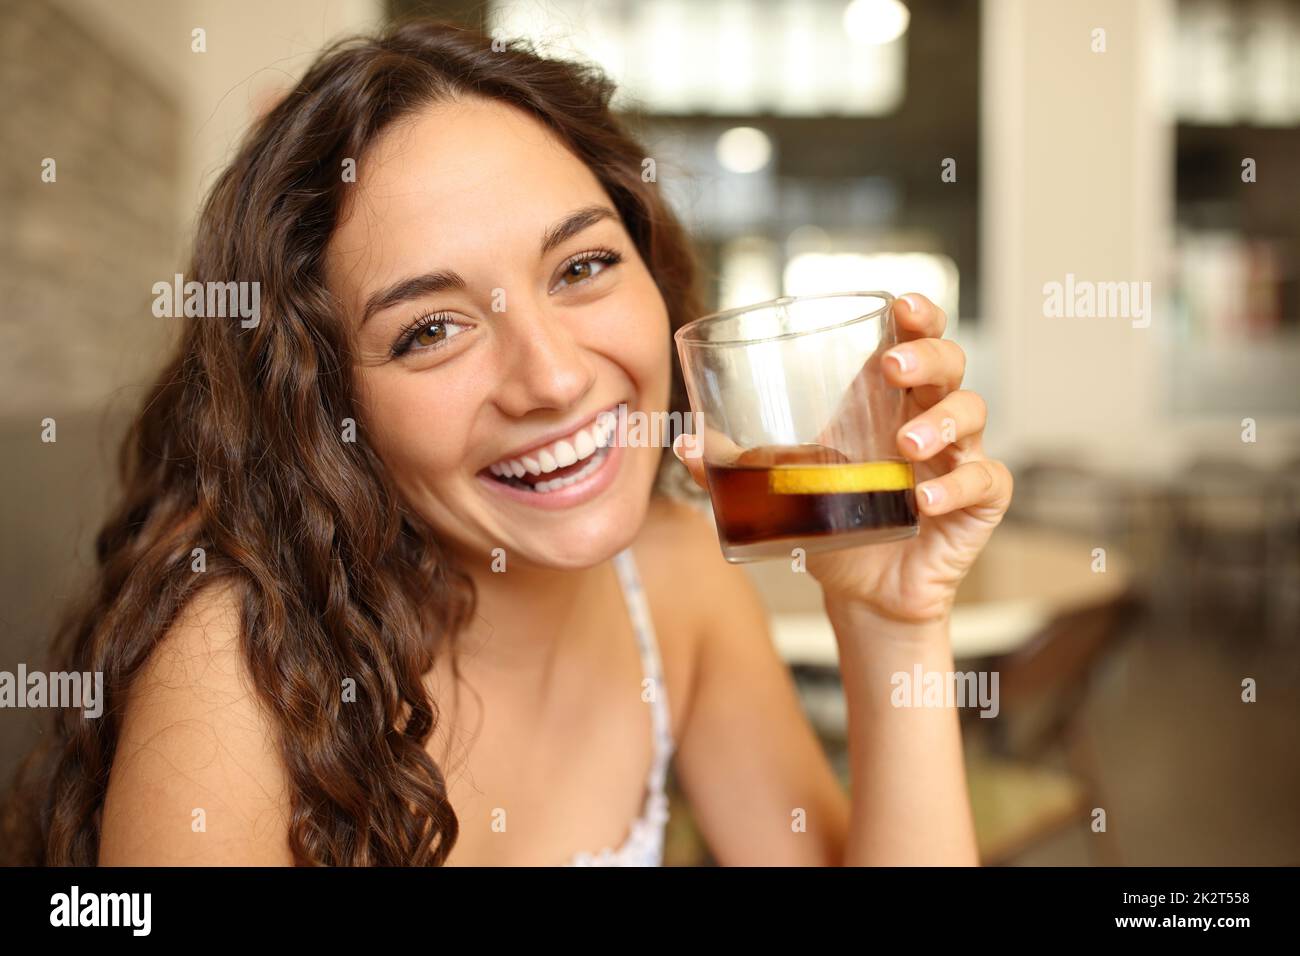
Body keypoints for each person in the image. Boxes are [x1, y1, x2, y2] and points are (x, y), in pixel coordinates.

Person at [2, 19, 1011, 866]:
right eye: (429, 328)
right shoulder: (239, 669)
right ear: (320, 400)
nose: (555, 377)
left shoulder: (676, 585)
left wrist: (893, 629)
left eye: (580, 265)